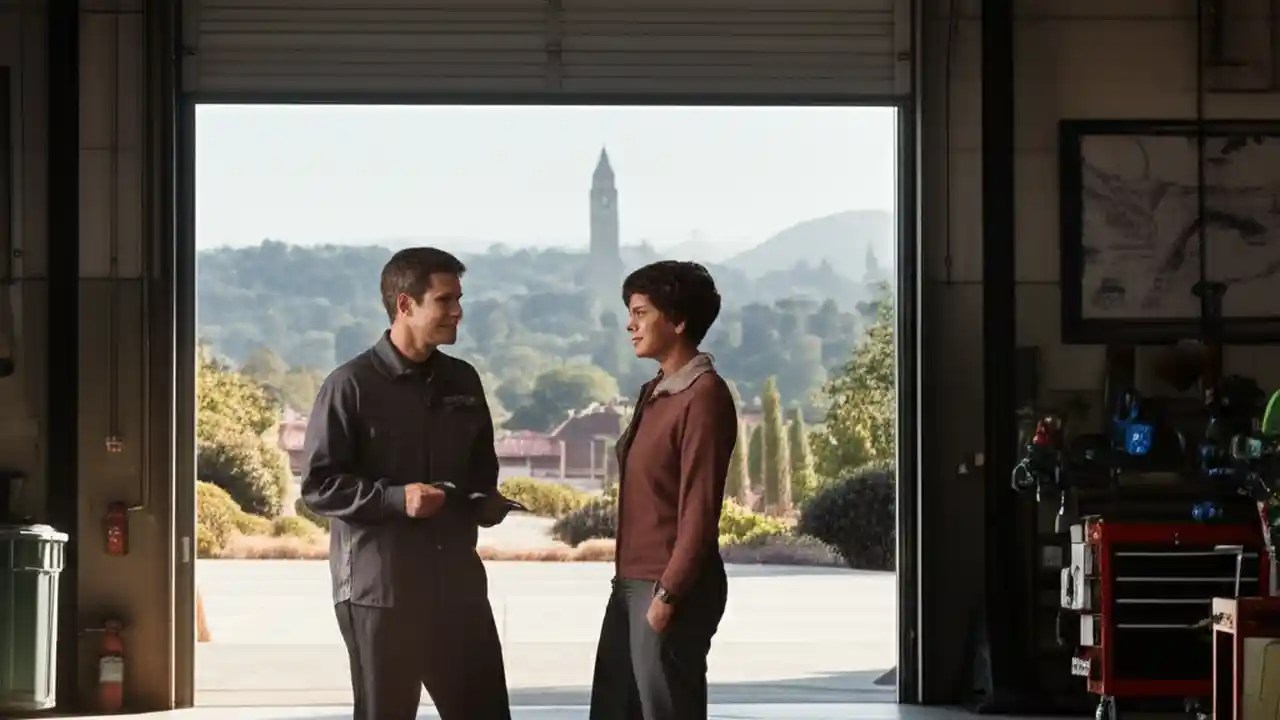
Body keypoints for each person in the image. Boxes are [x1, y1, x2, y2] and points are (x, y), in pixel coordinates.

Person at [300, 247, 513, 720]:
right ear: (405, 305)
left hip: (458, 589)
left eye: (459, 299)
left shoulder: (464, 380)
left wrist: (481, 501)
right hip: (381, 595)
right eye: (445, 300)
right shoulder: (349, 385)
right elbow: (318, 485)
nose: (458, 311)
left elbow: (482, 469)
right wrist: (397, 499)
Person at [589, 260, 739, 720]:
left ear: (678, 321)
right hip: (631, 583)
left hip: (670, 588)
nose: (630, 325)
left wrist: (668, 596)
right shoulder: (657, 390)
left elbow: (699, 508)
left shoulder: (703, 395)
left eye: (641, 313)